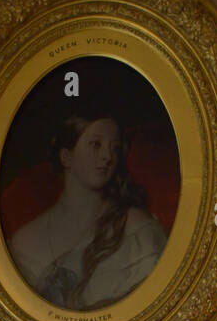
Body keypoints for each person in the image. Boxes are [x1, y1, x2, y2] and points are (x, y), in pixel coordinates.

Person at [8, 106, 167, 310]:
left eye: (114, 148)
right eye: (96, 144)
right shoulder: (25, 241)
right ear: (66, 157)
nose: (107, 157)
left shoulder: (135, 227)